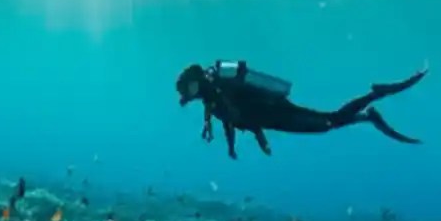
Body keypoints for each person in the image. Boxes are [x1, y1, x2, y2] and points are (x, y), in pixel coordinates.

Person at [175, 59, 426, 159]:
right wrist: (236, 146)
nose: (187, 97)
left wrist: (237, 145)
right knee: (329, 123)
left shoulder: (217, 93)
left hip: (278, 113)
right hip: (275, 117)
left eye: (187, 90)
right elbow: (237, 121)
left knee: (329, 122)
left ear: (195, 84)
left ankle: (373, 98)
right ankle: (365, 115)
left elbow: (236, 119)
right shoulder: (213, 98)